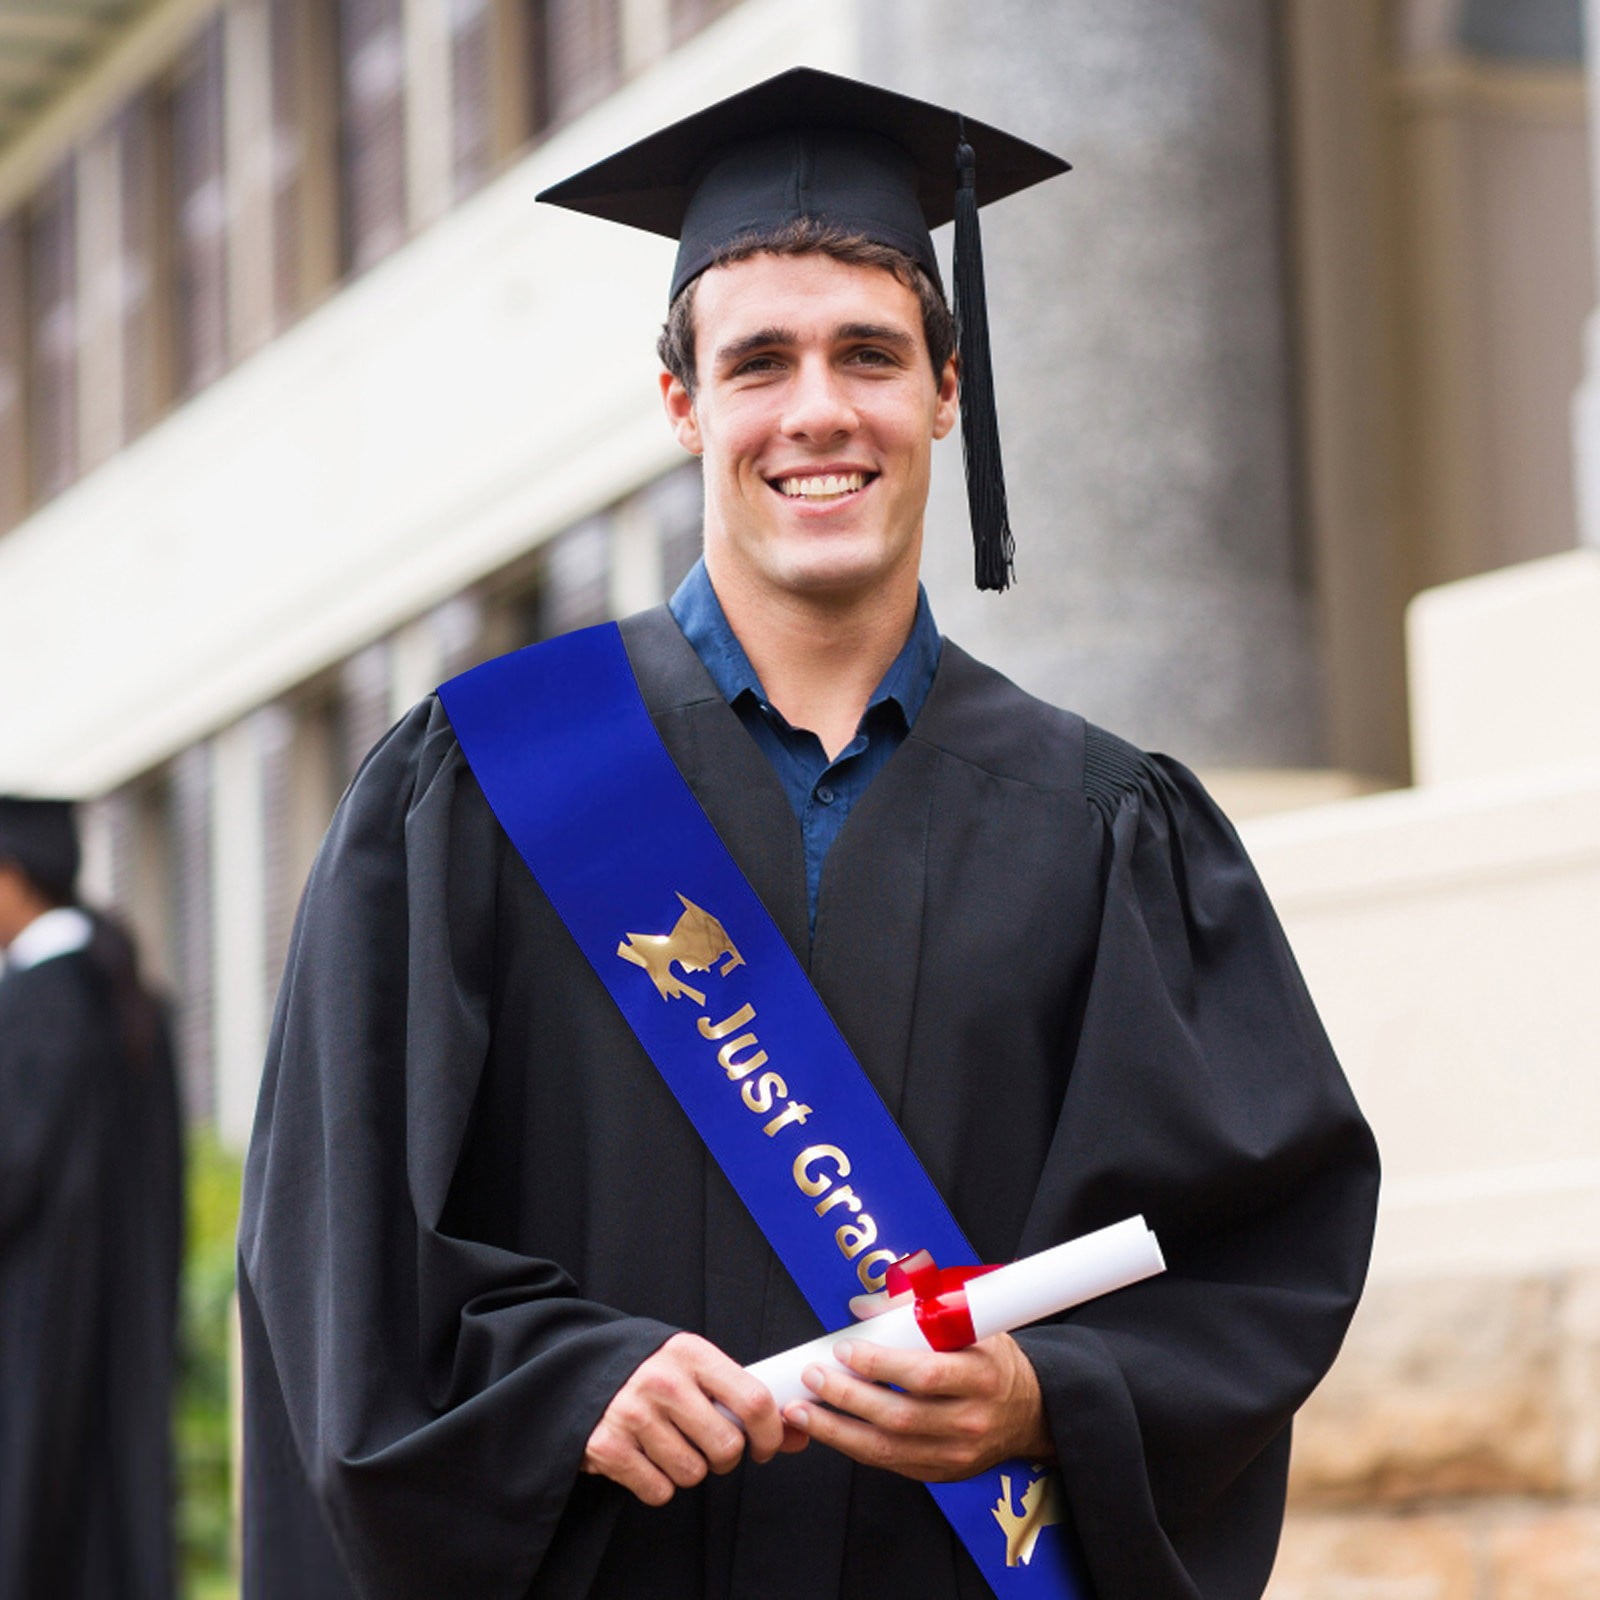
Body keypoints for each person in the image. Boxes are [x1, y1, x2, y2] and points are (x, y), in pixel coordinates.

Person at [239, 69, 1378, 1600]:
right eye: (759, 361)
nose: (819, 410)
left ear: (946, 392)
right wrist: (565, 1387)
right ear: (682, 404)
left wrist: (1046, 1396)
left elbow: (1258, 1251)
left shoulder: (1109, 829)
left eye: (870, 354)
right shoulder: (483, 789)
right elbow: (340, 1245)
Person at [0, 798, 184, 1600]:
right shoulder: (126, 997)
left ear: (13, 880)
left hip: (33, 1332)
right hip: (121, 1326)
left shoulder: (38, 1007)